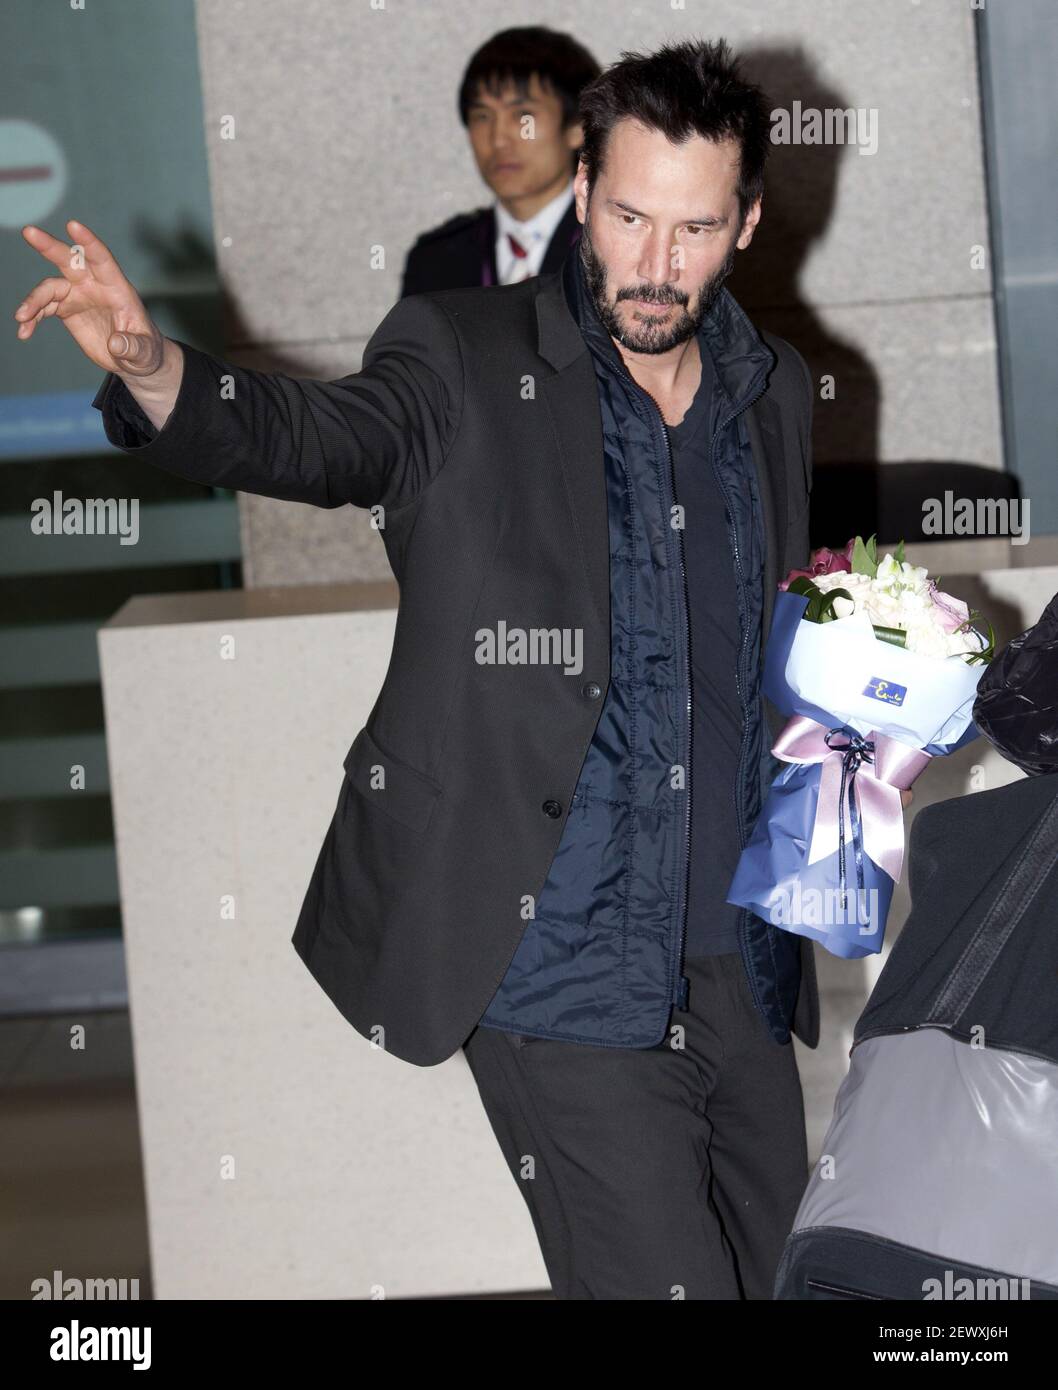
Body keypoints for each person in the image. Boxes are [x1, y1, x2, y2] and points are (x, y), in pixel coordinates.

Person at [14, 37, 902, 1300]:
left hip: (734, 959)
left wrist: (868, 701)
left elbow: (758, 644)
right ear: (584, 191)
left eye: (694, 230)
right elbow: (319, 438)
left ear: (748, 221)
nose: (654, 264)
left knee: (779, 1281)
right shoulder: (465, 358)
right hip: (555, 955)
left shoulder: (769, 393)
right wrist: (158, 370)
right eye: (630, 215)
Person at [399, 26, 599, 296]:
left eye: (522, 115)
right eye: (482, 116)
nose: (498, 140)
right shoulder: (436, 261)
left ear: (577, 128)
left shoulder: (609, 247)